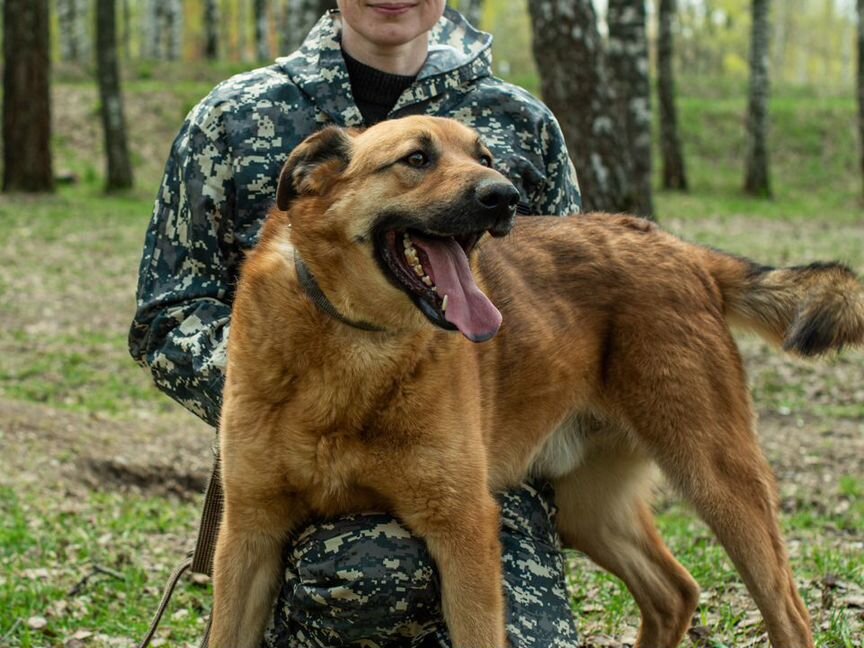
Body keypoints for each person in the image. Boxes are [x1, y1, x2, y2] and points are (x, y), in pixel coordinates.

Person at [129, 2, 582, 646]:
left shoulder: (523, 121)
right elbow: (165, 312)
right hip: (305, 482)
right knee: (364, 579)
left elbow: (560, 298)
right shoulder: (234, 114)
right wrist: (286, 394)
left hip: (484, 479)